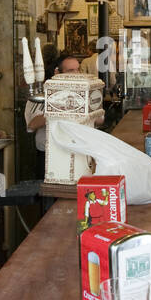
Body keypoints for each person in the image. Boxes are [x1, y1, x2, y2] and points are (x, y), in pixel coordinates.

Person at [26, 50, 105, 209]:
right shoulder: (45, 93)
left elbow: (100, 120)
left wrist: (88, 109)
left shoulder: (84, 92)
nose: (76, 74)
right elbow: (32, 124)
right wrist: (58, 108)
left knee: (78, 208)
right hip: (49, 161)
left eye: (77, 70)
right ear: (57, 72)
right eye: (70, 70)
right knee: (51, 210)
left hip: (80, 157)